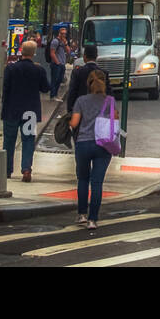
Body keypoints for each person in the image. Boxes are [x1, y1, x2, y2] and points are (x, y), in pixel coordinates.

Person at [70, 69, 116, 230]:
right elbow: (114, 120)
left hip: (83, 143)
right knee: (97, 182)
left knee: (83, 179)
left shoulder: (81, 101)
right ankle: (93, 219)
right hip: (103, 145)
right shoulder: (109, 101)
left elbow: (74, 123)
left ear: (88, 84)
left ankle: (81, 214)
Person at [2, 40, 50, 182]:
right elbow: (45, 88)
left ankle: (6, 170)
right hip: (30, 111)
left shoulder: (11, 69)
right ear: (34, 53)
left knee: (9, 141)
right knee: (28, 140)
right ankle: (26, 169)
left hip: (12, 109)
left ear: (21, 51)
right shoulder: (39, 70)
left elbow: (5, 88)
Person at [66, 45, 110, 112]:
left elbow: (72, 92)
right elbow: (109, 93)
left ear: (84, 57)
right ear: (96, 57)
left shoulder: (77, 72)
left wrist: (70, 110)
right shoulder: (104, 73)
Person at [48, 28, 68, 100]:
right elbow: (52, 53)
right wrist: (57, 62)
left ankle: (56, 94)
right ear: (59, 33)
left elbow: (68, 51)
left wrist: (65, 43)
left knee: (59, 80)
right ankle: (52, 95)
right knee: (55, 79)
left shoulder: (63, 42)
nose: (64, 35)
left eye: (65, 33)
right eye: (62, 33)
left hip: (62, 63)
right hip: (57, 64)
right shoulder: (55, 41)